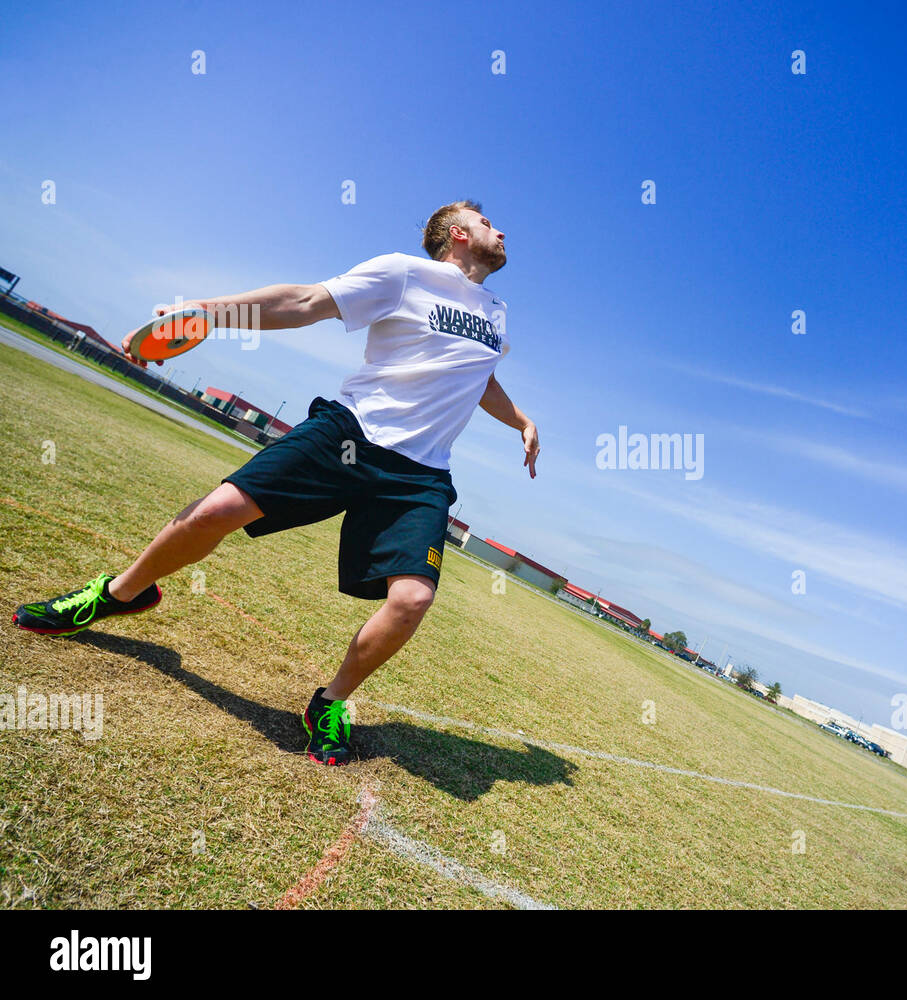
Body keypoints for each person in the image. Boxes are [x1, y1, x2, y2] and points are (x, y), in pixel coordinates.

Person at [12, 200, 539, 766]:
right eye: (487, 223)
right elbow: (305, 302)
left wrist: (522, 421)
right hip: (351, 433)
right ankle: (121, 592)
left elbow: (480, 378)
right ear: (458, 234)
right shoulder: (405, 273)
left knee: (411, 599)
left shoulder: (496, 312)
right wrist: (210, 313)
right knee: (214, 512)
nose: (501, 229)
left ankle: (328, 703)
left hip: (421, 473)